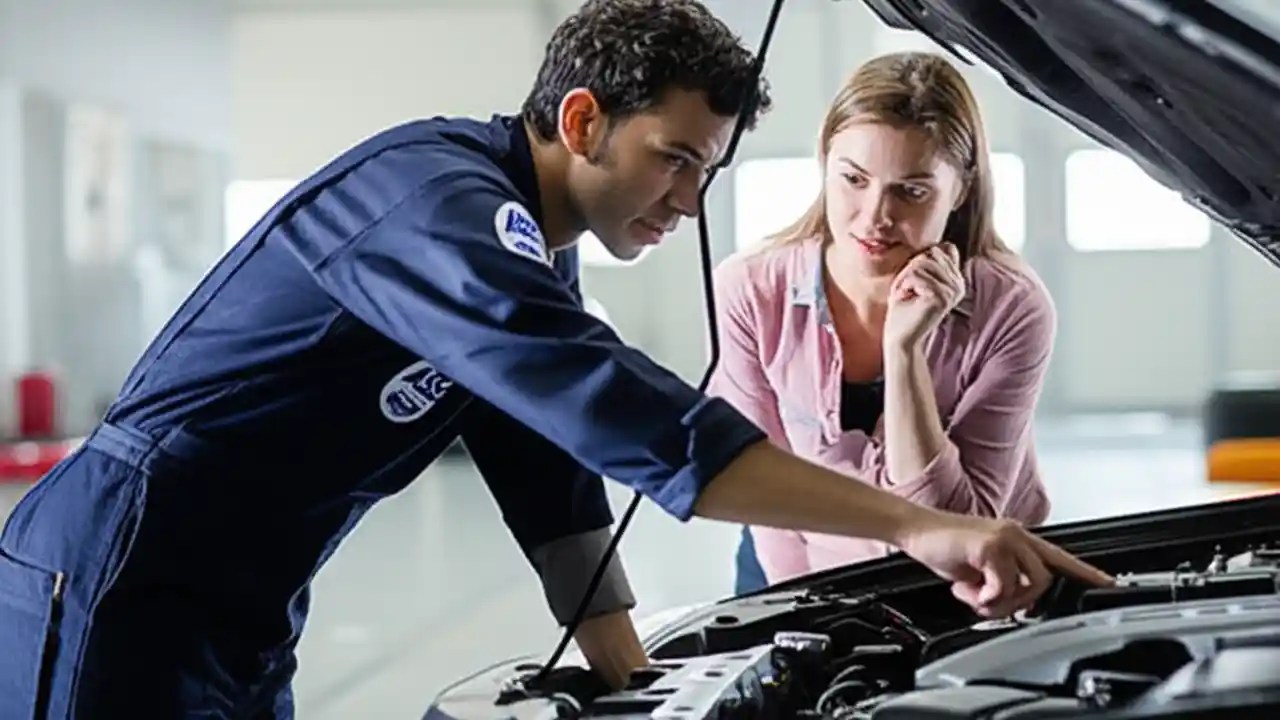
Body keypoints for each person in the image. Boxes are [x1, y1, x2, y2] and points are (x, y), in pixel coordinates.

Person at [0, 3, 1109, 717]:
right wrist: (925, 524)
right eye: (672, 160)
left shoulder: (531, 249)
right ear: (581, 120)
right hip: (115, 573)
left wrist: (634, 682)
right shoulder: (435, 207)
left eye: (706, 172)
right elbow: (613, 410)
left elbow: (553, 482)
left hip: (242, 604)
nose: (687, 200)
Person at [711, 52, 1057, 593]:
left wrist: (905, 352)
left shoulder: (1012, 309)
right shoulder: (750, 292)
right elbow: (765, 493)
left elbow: (963, 525)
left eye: (912, 191)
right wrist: (804, 620)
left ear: (960, 191)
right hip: (796, 568)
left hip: (975, 581)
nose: (876, 215)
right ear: (824, 161)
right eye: (853, 179)